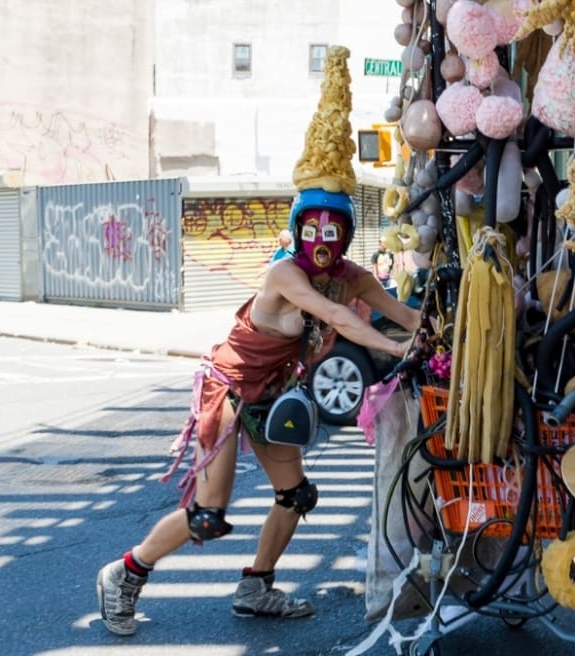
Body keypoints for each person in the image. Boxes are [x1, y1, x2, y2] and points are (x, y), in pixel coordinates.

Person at [95, 44, 422, 636]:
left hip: (269, 397)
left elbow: (398, 311)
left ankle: (256, 588)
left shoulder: (350, 274)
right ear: (299, 226)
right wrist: (399, 350)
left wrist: (440, 332)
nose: (323, 236)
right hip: (228, 394)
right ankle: (125, 574)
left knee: (296, 495)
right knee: (206, 516)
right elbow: (343, 320)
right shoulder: (286, 275)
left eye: (335, 227)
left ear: (346, 231)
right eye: (313, 225)